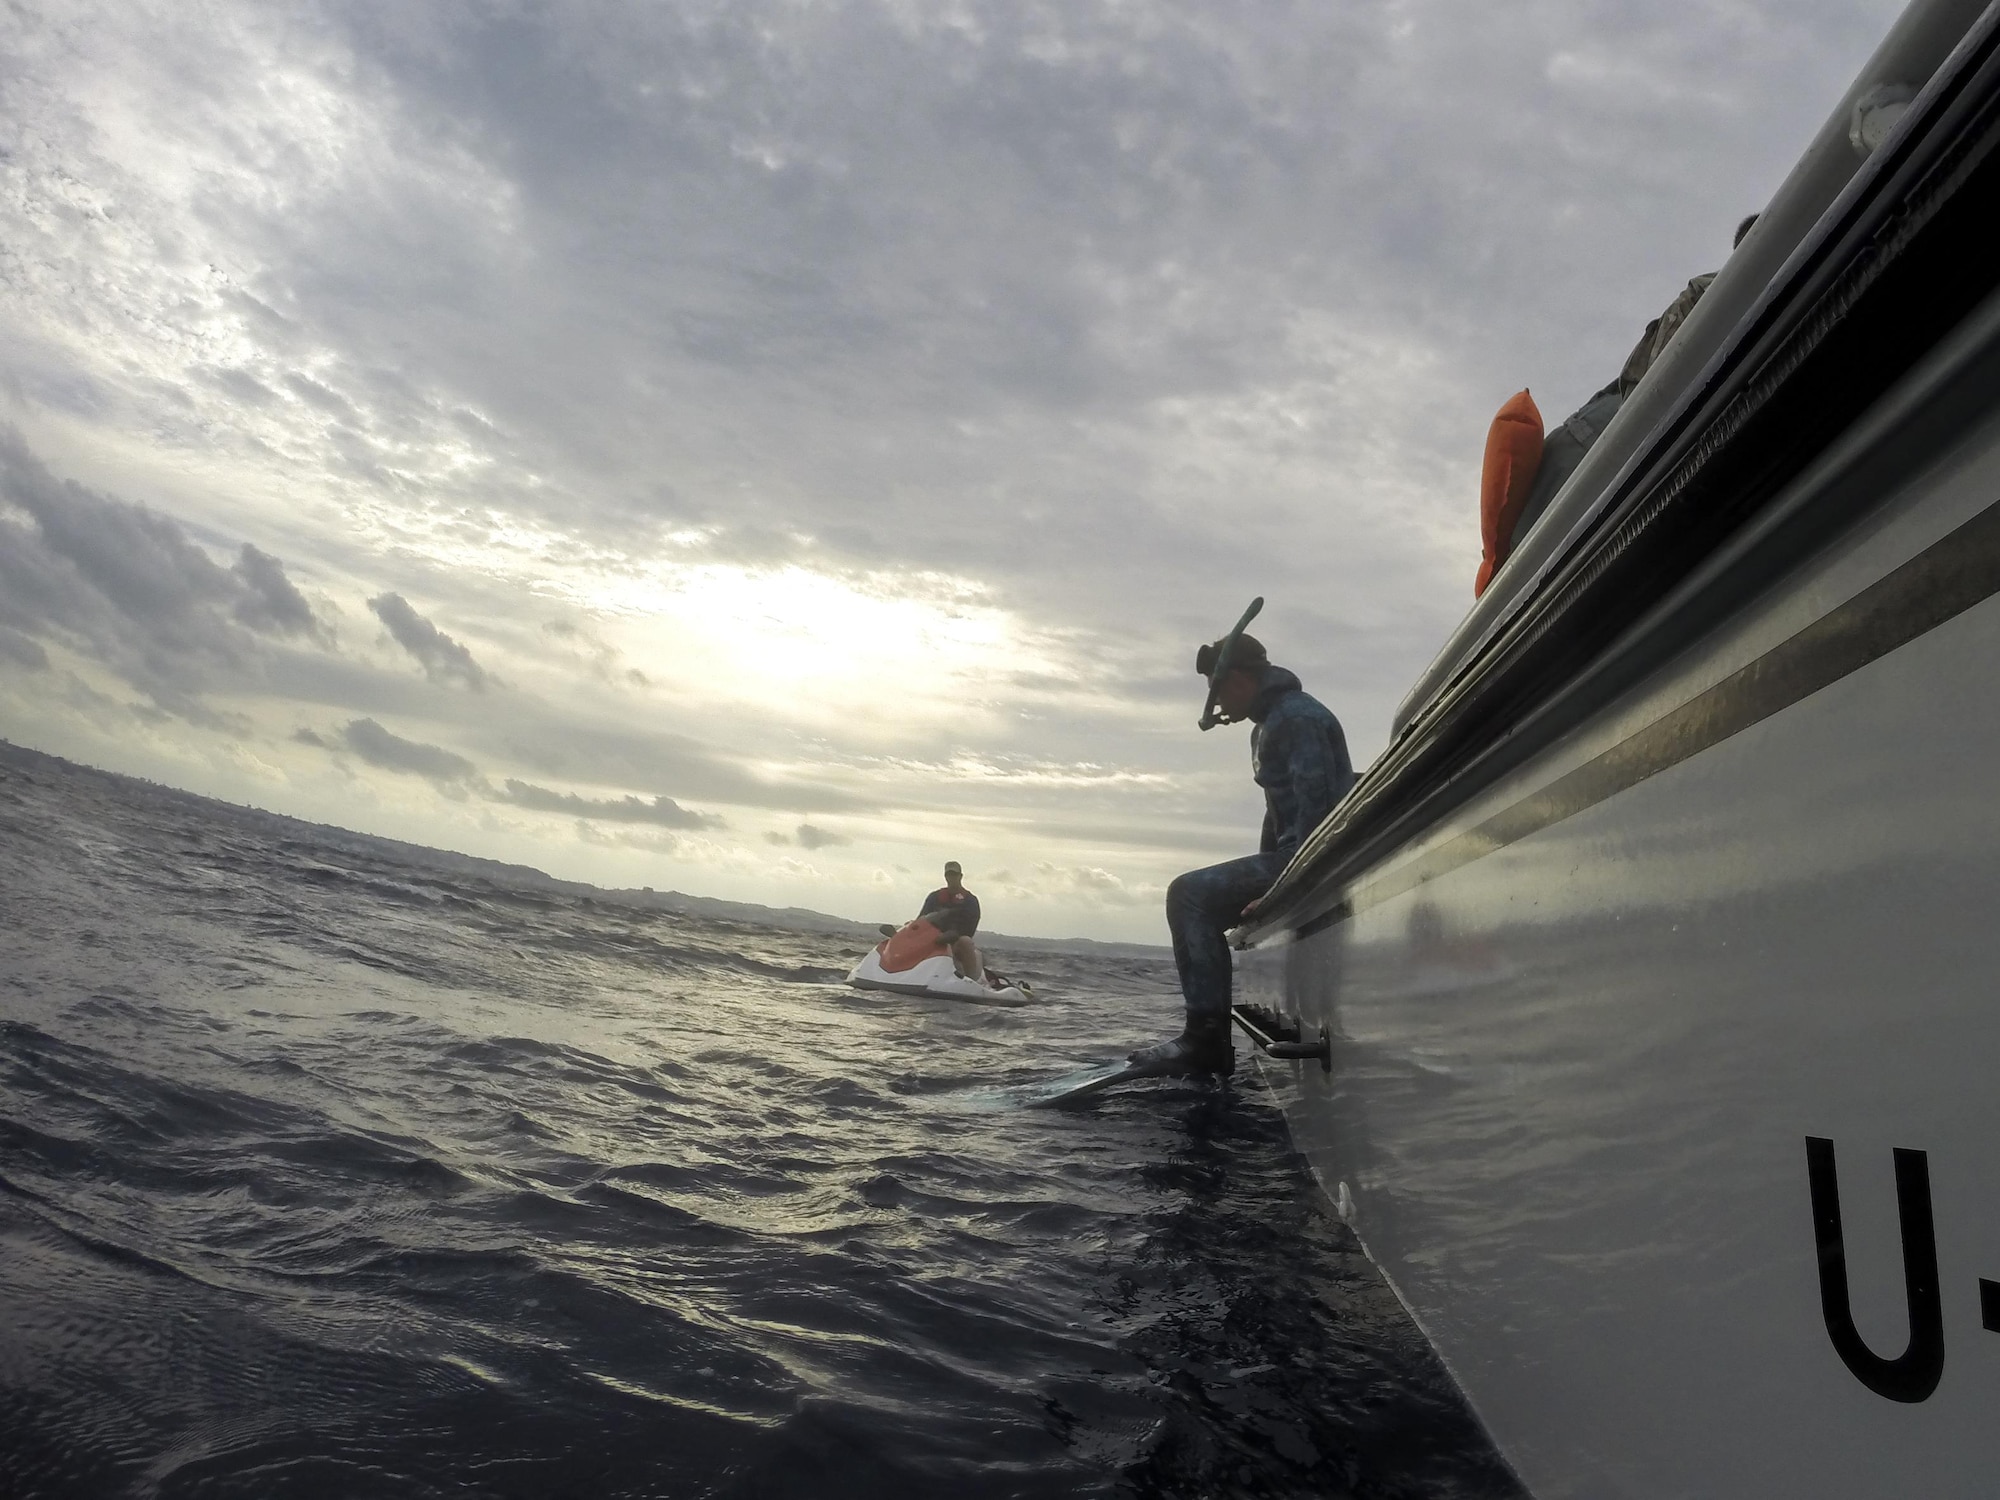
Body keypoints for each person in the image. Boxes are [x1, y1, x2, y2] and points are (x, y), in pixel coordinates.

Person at [1130, 623, 1356, 1075]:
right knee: (1196, 895)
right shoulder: (1270, 725)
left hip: (1315, 861)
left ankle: (1206, 1040)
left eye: (1219, 692)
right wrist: (1263, 888)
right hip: (1292, 860)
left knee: (1188, 894)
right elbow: (1278, 814)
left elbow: (1317, 814)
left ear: (1238, 680)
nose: (1218, 705)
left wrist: (1283, 892)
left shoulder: (1296, 718)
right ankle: (1206, 1035)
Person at [918, 861, 985, 982]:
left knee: (966, 941)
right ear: (945, 876)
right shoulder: (934, 897)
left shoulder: (970, 901)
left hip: (955, 942)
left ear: (960, 876)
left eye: (954, 875)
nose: (951, 878)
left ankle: (971, 981)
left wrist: (952, 935)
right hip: (932, 940)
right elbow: (921, 920)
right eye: (949, 875)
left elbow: (970, 929)